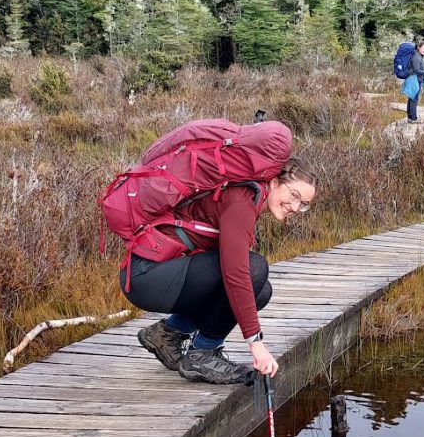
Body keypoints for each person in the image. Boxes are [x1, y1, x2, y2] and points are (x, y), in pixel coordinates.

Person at [124, 160, 318, 384]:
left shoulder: (247, 196)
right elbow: (237, 274)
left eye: (303, 203)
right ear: (275, 182)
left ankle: (167, 334)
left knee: (261, 291)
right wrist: (257, 345)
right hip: (146, 276)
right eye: (294, 195)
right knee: (255, 268)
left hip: (162, 273)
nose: (295, 207)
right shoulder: (241, 202)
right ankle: (203, 353)